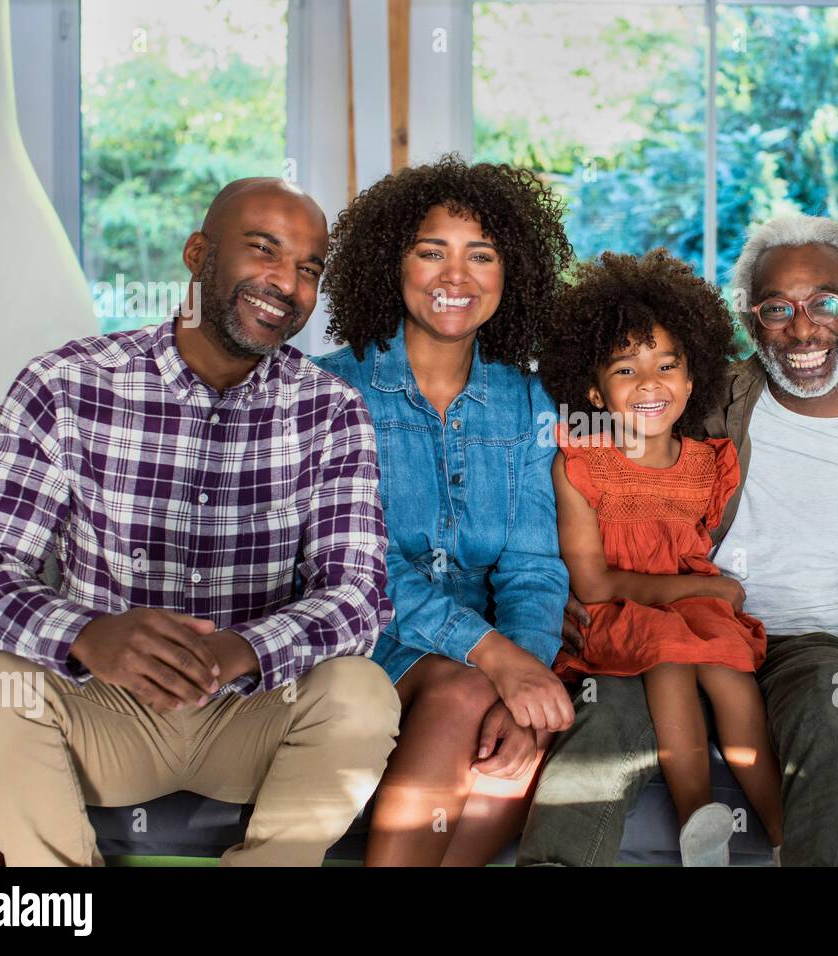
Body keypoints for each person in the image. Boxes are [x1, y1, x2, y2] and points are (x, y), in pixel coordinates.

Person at [0, 178, 400, 866]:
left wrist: (240, 652)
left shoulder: (332, 410)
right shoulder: (65, 384)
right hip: (103, 709)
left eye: (309, 269)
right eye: (264, 250)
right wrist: (91, 636)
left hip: (252, 712)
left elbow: (358, 594)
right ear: (197, 253)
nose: (287, 283)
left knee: (361, 693)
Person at [519, 214, 838, 866]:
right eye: (775, 308)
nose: (801, 327)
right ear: (749, 319)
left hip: (818, 651)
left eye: (823, 302)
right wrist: (556, 600)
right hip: (669, 625)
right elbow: (608, 441)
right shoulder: (709, 398)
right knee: (606, 712)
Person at [311, 156, 576, 866]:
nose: (455, 276)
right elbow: (359, 565)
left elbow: (534, 569)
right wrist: (498, 662)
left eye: (480, 255)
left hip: (496, 654)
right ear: (390, 262)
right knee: (464, 692)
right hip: (362, 639)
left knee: (526, 745)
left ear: (508, 273)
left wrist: (526, 681)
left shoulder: (529, 403)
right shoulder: (331, 391)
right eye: (432, 251)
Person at [538, 249, 782, 866]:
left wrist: (705, 596)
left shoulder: (709, 462)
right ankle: (699, 816)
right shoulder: (582, 467)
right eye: (626, 370)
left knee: (728, 665)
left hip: (692, 606)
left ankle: (784, 832)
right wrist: (700, 593)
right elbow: (592, 583)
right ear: (594, 391)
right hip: (622, 610)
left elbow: (699, 555)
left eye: (667, 364)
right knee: (670, 655)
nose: (650, 384)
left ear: (694, 375)